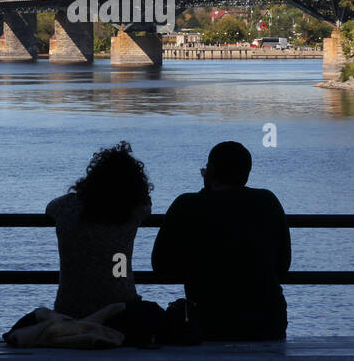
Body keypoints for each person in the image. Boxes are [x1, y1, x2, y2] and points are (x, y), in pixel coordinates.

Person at [151, 141, 291, 341]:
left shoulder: (187, 204)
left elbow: (160, 266)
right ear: (246, 174)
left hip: (208, 321)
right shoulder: (268, 201)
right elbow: (283, 265)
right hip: (268, 322)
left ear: (210, 172)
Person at [45, 141, 153, 320]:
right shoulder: (134, 210)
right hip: (120, 308)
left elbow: (49, 208)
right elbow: (147, 204)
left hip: (69, 310)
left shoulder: (64, 206)